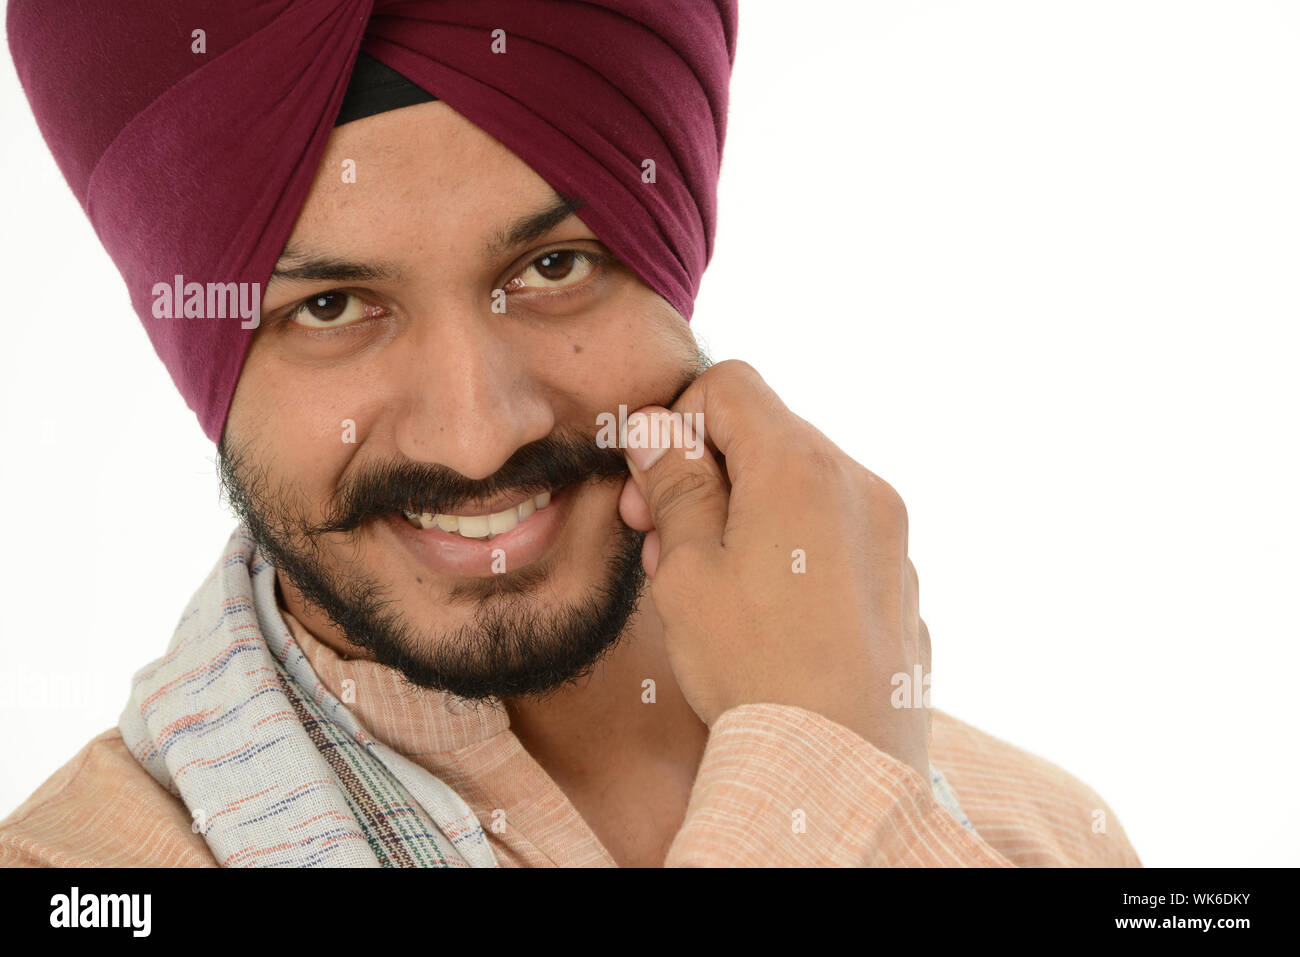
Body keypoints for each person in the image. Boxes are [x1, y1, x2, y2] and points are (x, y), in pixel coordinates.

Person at [1, 0, 1139, 867]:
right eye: (333, 306)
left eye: (554, 267)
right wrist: (825, 795)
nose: (475, 438)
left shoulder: (1036, 834)